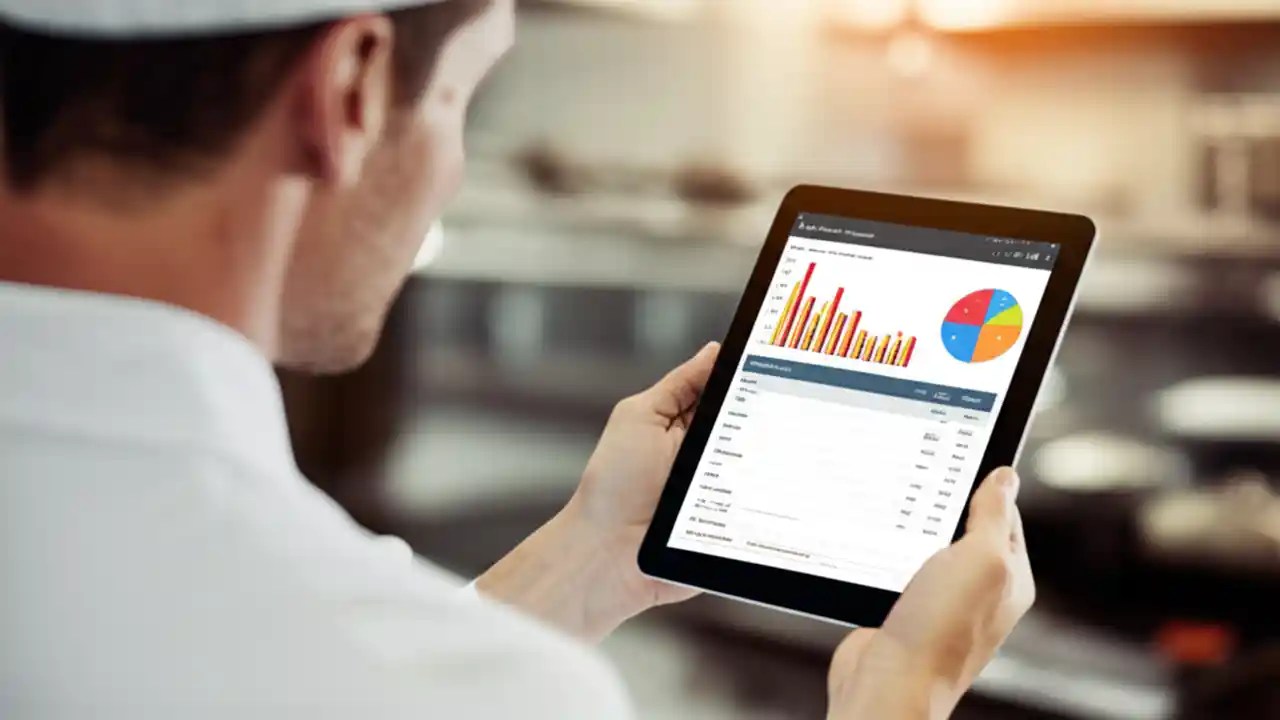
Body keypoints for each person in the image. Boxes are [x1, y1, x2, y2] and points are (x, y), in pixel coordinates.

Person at [0, 0, 1035, 717]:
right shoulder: (474, 693)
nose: (448, 173)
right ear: (352, 89)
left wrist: (592, 554)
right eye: (459, 101)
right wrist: (896, 691)